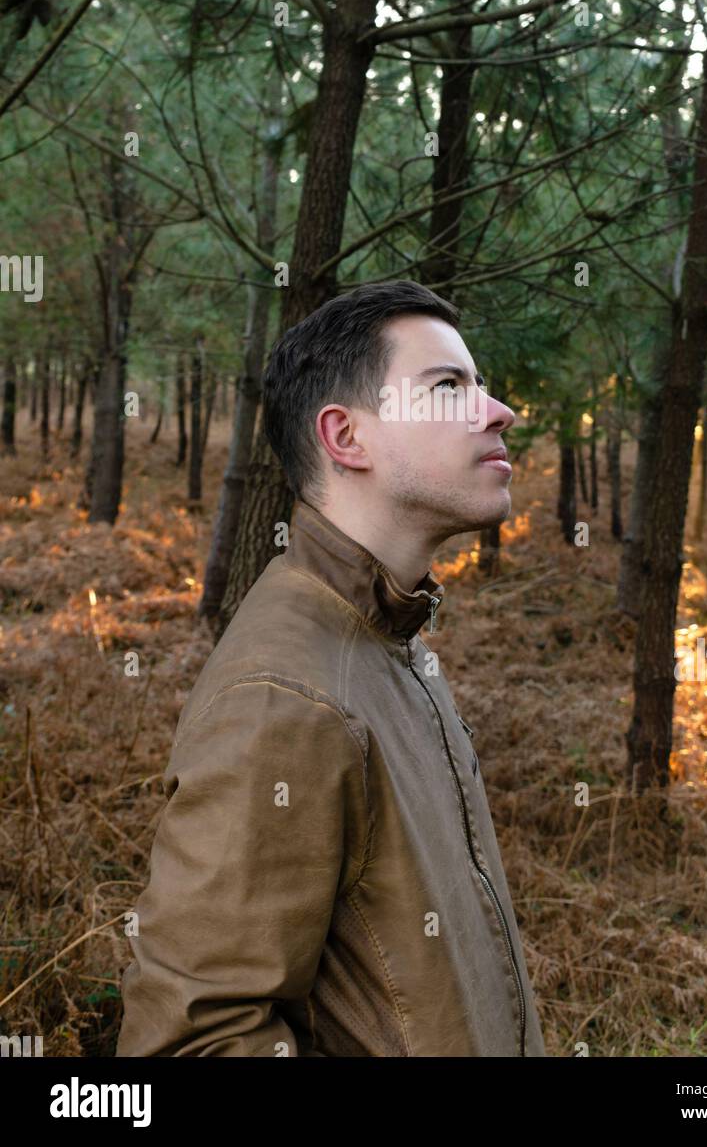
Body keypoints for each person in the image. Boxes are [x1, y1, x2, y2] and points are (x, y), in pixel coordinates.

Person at [117, 279, 546, 1057]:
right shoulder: (285, 694)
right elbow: (193, 1039)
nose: (498, 410)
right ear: (347, 438)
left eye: (479, 385)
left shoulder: (390, 635)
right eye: (449, 387)